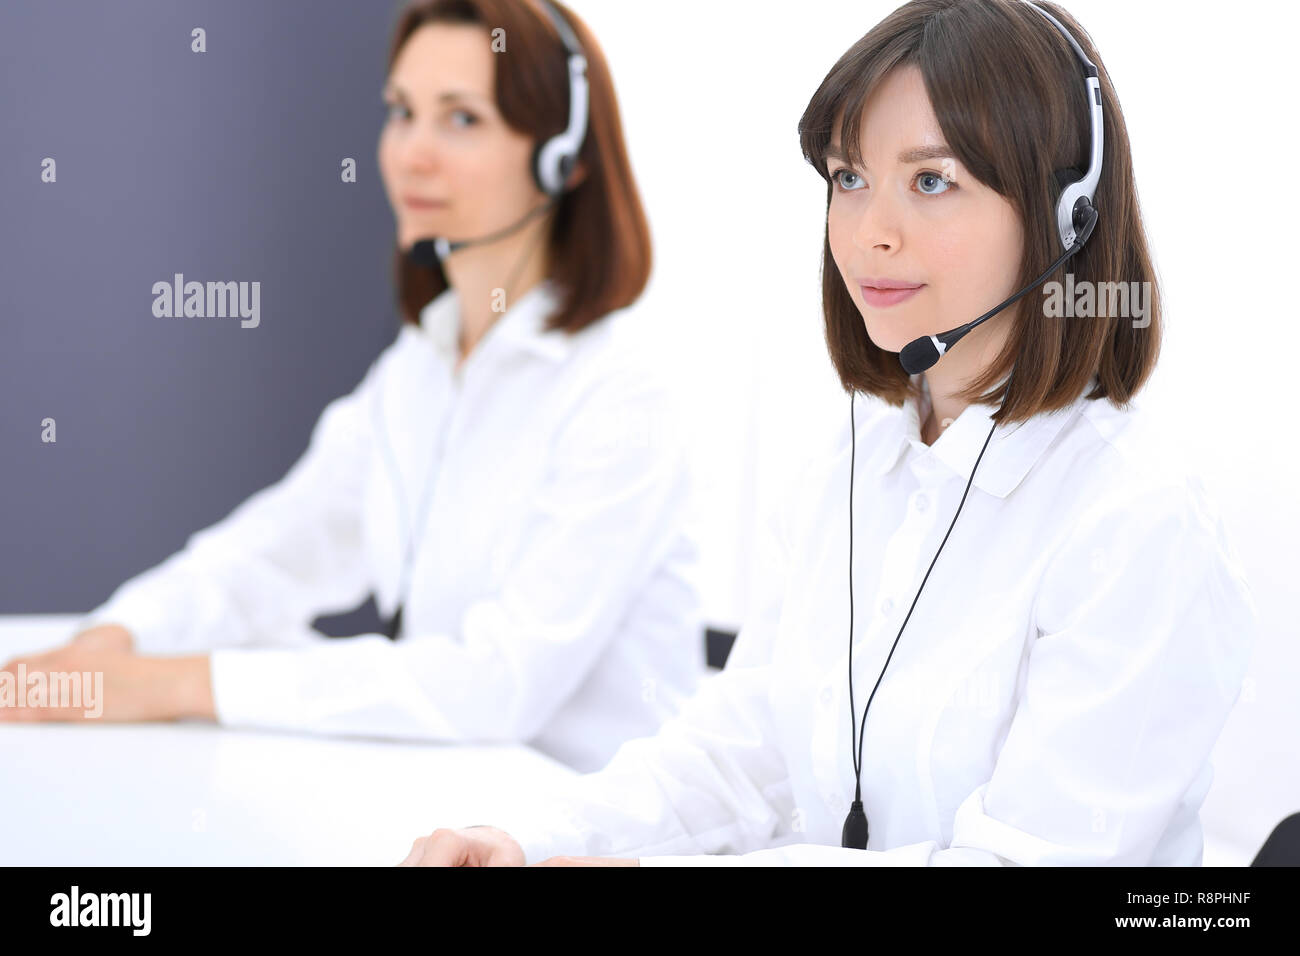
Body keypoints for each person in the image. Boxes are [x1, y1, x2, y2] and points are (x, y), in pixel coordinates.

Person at [399, 0, 1258, 866]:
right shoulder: (849, 471)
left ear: (1067, 217)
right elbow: (744, 761)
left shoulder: (1137, 520)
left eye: (931, 181)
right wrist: (524, 840)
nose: (869, 233)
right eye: (850, 178)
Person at [0, 0, 706, 775]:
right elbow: (271, 552)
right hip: (463, 805)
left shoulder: (622, 393)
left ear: (562, 159)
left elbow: (499, 684)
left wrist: (171, 685)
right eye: (402, 113)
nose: (412, 154)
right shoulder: (420, 368)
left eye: (461, 119)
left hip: (591, 838)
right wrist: (115, 640)